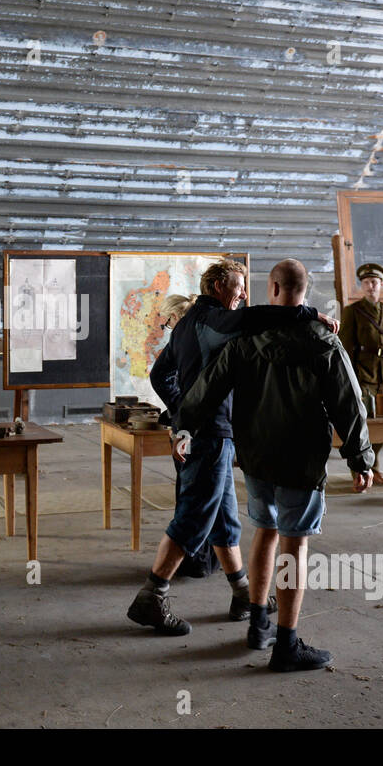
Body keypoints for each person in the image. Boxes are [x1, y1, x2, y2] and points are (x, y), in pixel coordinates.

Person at [175, 259, 373, 671]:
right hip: (301, 461)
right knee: (294, 544)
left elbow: (206, 387)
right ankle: (287, 644)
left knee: (264, 531)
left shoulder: (247, 339)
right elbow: (349, 405)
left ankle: (259, 624)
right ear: (304, 292)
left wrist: (183, 427)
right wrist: (360, 457)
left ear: (274, 290)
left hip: (256, 458)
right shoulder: (324, 340)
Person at [130, 260, 336, 636]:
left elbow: (160, 374)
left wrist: (180, 411)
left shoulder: (188, 322)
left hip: (207, 431)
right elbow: (254, 319)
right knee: (194, 516)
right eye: (239, 286)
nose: (243, 295)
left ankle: (243, 592)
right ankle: (152, 596)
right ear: (218, 286)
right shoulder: (212, 318)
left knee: (225, 519)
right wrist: (309, 314)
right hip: (209, 434)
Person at [338, 262, 383, 484]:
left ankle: (374, 465)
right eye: (366, 283)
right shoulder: (352, 311)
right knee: (363, 422)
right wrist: (350, 377)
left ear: (381, 284)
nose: (370, 286)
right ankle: (361, 470)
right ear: (361, 286)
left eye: (374, 282)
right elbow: (345, 346)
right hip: (363, 373)